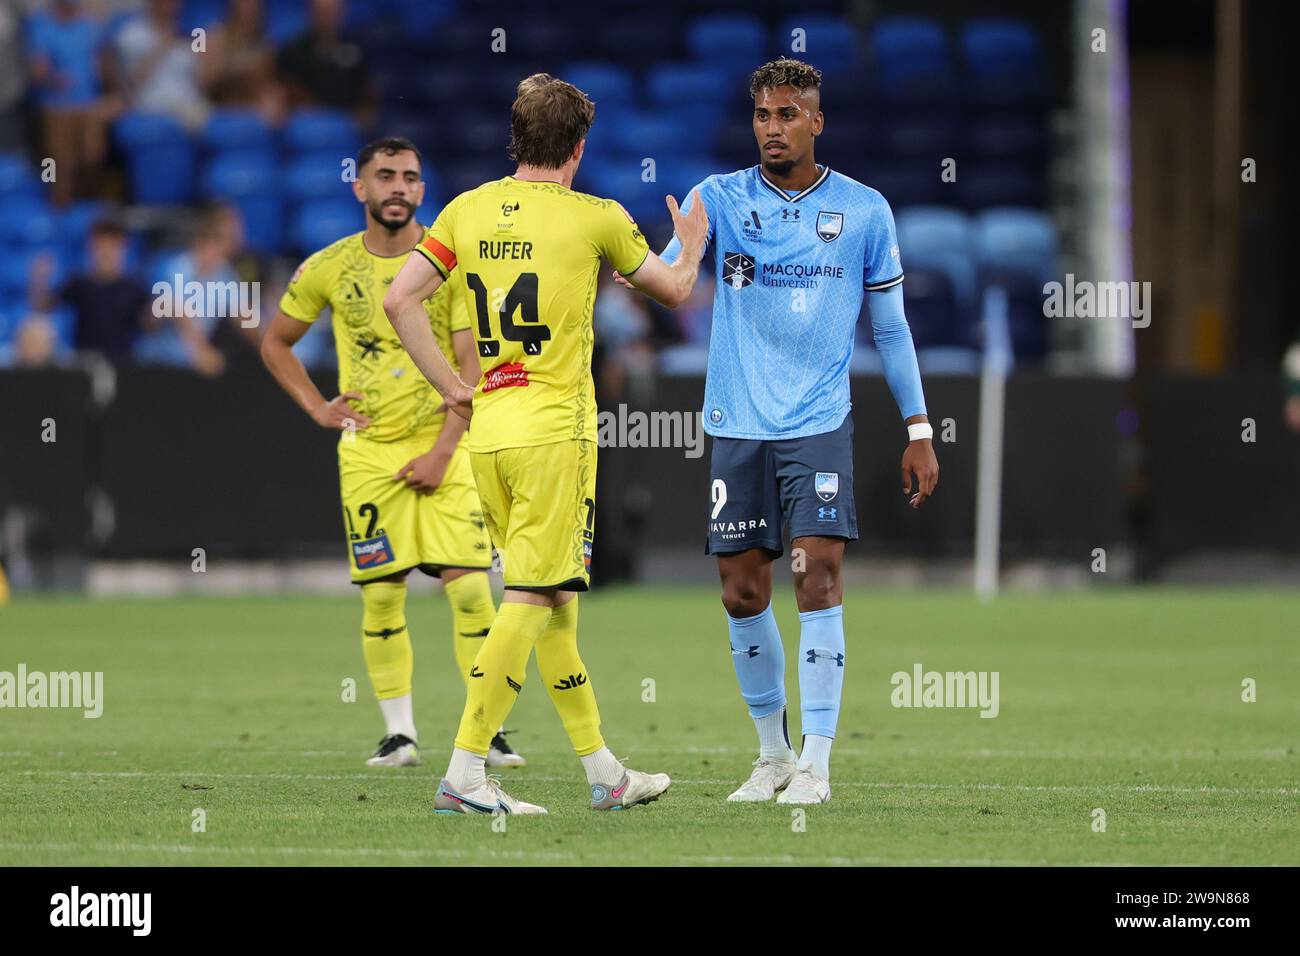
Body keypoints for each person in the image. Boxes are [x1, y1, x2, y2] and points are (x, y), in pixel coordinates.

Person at [383, 73, 708, 814]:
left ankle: (605, 773)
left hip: (490, 433)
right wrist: (689, 245)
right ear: (580, 147)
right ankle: (465, 773)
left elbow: (399, 298)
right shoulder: (597, 217)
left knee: (554, 598)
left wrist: (451, 388)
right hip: (554, 433)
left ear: (516, 139)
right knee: (532, 595)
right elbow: (676, 290)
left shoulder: (465, 211)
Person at [623, 59, 939, 805]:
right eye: (763, 115)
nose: (773, 127)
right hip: (738, 421)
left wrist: (919, 426)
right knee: (740, 591)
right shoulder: (718, 198)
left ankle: (818, 766)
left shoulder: (864, 210)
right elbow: (664, 282)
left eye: (789, 114)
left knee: (817, 574)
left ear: (816, 122)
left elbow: (890, 328)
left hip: (818, 420)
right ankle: (772, 756)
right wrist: (652, 258)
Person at [260, 137, 524, 770]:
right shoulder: (329, 266)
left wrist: (441, 451)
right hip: (369, 453)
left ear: (423, 189)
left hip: (446, 447)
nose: (398, 187)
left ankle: (485, 729)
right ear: (361, 187)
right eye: (386, 176)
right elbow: (276, 342)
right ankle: (400, 735)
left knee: (469, 593)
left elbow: (469, 365)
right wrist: (318, 408)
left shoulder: (448, 264)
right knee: (382, 594)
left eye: (409, 176)